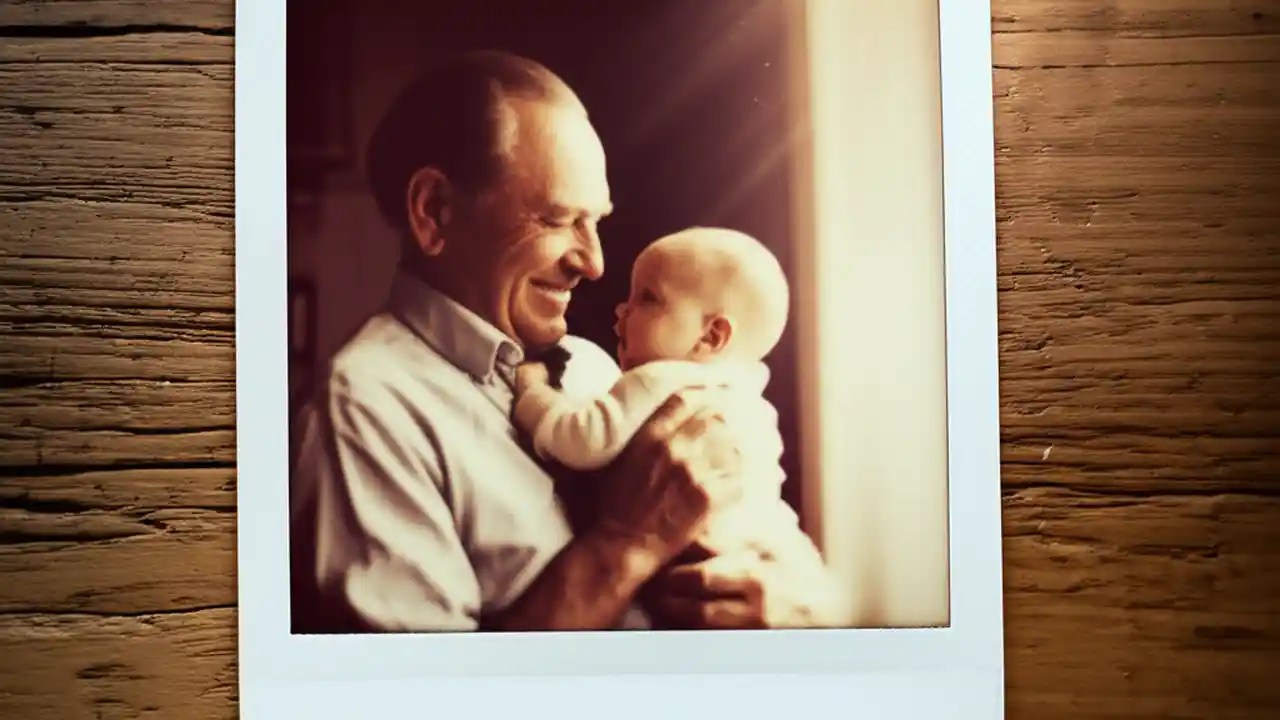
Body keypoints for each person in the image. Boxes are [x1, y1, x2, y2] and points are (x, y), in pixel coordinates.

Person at [289, 50, 850, 633]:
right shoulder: (362, 414)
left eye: (596, 221)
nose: (595, 263)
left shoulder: (592, 368)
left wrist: (808, 609)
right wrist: (624, 544)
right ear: (434, 211)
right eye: (558, 220)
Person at [511, 227, 801, 566]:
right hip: (749, 554)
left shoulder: (658, 379)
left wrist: (533, 394)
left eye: (648, 298)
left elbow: (582, 439)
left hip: (692, 557)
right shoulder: (754, 403)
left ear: (711, 335)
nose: (623, 310)